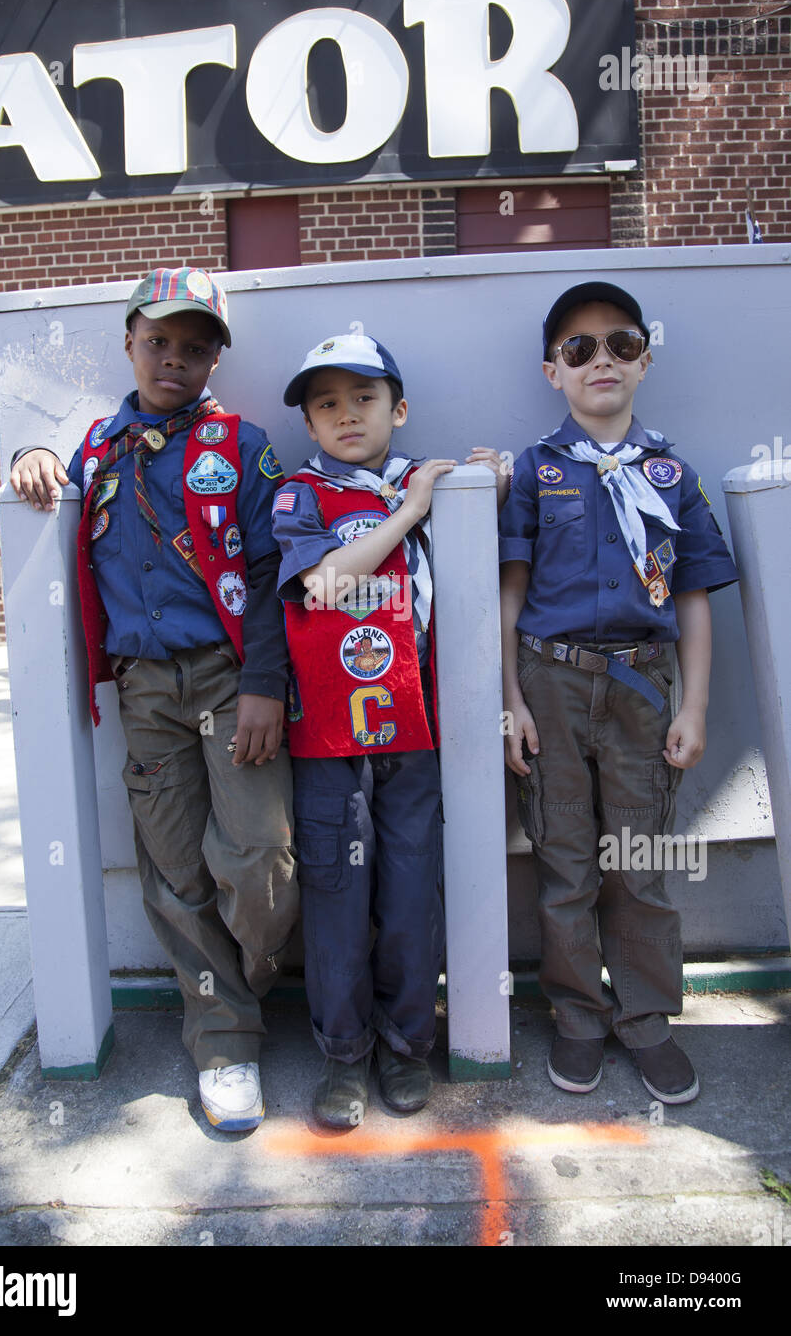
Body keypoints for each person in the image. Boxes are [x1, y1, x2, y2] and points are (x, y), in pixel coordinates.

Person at [9, 267, 297, 1132]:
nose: (175, 358)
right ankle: (225, 1041)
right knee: (174, 874)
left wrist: (261, 686)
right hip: (143, 693)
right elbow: (56, 487)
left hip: (225, 674)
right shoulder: (96, 446)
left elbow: (270, 569)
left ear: (215, 358)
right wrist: (32, 458)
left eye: (196, 346)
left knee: (259, 860)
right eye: (159, 341)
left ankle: (260, 976)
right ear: (130, 339)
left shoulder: (243, 446)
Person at [499, 281, 738, 1105]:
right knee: (564, 861)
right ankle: (576, 1015)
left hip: (644, 686)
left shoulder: (672, 473)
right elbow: (509, 592)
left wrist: (695, 705)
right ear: (552, 371)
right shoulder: (535, 470)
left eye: (621, 344)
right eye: (579, 349)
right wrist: (512, 701)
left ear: (644, 359)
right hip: (551, 680)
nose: (601, 359)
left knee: (639, 865)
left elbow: (697, 594)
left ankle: (646, 1019)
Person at [272, 330, 508, 1127]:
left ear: (398, 409)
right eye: (327, 403)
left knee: (410, 892)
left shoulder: (432, 480)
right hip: (330, 737)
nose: (346, 414)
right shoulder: (301, 493)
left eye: (364, 398)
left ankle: (406, 1044)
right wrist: (409, 512)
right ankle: (343, 1053)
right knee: (336, 896)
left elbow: (474, 560)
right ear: (308, 422)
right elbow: (327, 583)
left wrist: (490, 487)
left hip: (414, 730)